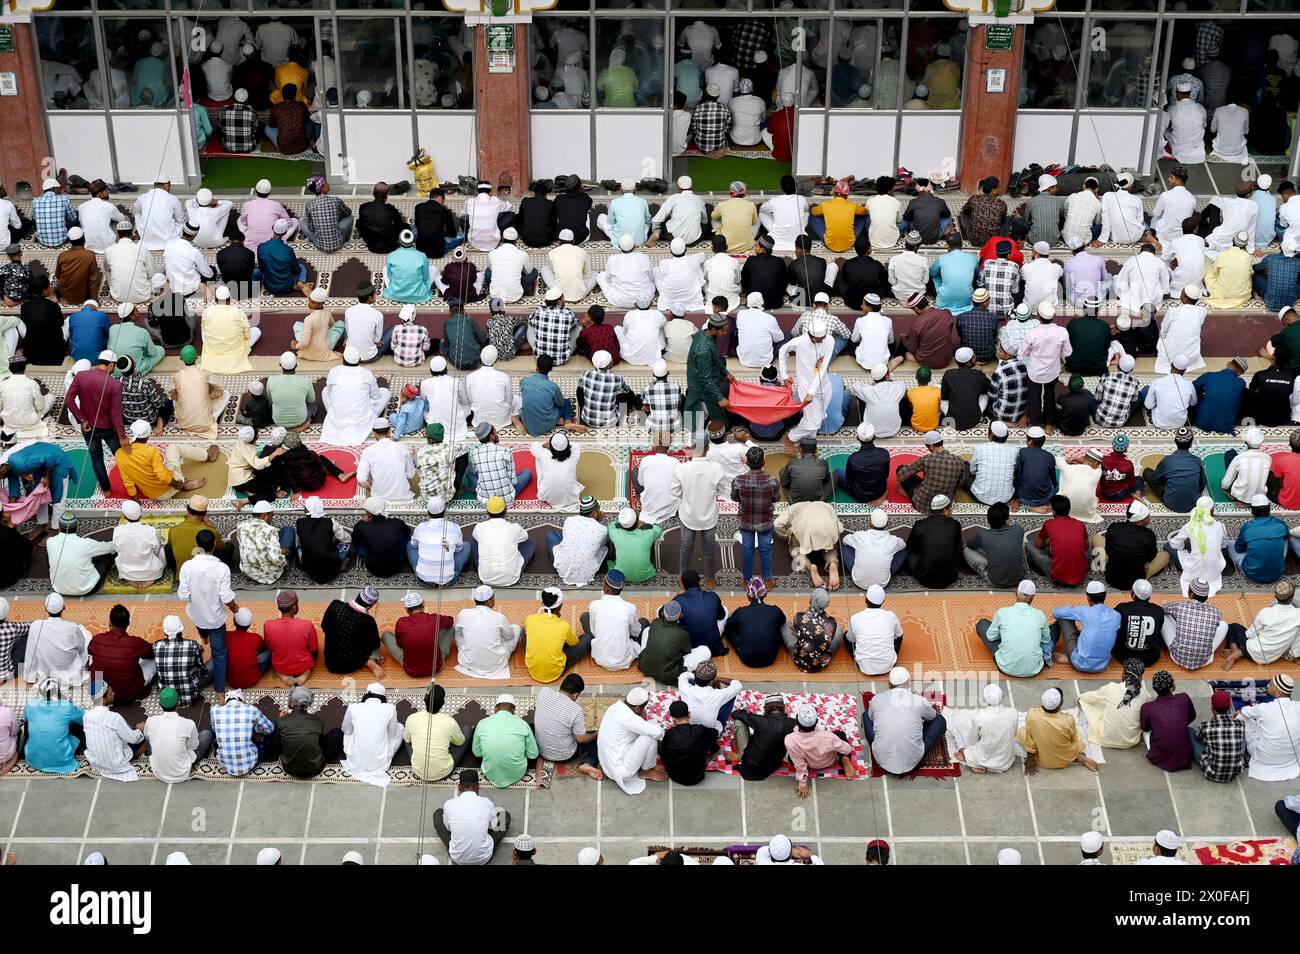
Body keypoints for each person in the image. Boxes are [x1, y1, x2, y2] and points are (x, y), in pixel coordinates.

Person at [864, 667, 945, 777]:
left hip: (881, 759)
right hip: (913, 763)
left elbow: (871, 717)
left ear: (889, 684)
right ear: (909, 683)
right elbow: (932, 717)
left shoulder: (877, 699)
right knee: (939, 720)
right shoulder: (919, 701)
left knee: (865, 715)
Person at [976, 581, 1053, 677]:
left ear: (1015, 593)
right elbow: (1046, 640)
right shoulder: (1040, 615)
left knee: (982, 624)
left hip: (1006, 667)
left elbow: (991, 637)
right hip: (1034, 669)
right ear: (1032, 598)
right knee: (1053, 629)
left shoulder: (1002, 613)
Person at [435, 769, 509, 865]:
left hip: (458, 858)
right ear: (478, 787)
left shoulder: (449, 804)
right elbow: (492, 827)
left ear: (459, 787)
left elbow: (448, 828)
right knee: (504, 815)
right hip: (483, 858)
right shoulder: (487, 803)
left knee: (438, 814)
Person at [1019, 687, 1097, 774]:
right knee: (1076, 734)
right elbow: (1072, 738)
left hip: (1043, 760)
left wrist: (1030, 758)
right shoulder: (1068, 719)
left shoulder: (1032, 714)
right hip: (1066, 758)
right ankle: (1079, 755)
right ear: (1060, 703)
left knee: (1022, 732)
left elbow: (1029, 738)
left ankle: (1076, 755)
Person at [143, 686, 213, 784]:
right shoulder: (188, 723)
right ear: (178, 703)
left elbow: (147, 737)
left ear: (159, 704)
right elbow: (194, 746)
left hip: (158, 772)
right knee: (206, 735)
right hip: (181, 773)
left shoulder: (150, 721)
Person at [87, 603, 155, 703]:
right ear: (128, 623)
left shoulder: (97, 639)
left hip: (100, 693)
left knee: (93, 657)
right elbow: (152, 653)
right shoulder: (135, 643)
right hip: (128, 694)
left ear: (109, 623)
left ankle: (103, 694)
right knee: (154, 659)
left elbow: (89, 652)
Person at [471, 694, 539, 789]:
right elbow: (533, 755)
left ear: (495, 709)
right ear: (513, 711)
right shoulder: (523, 724)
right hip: (517, 774)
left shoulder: (482, 723)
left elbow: (477, 753)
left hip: (490, 773)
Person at [523, 587, 590, 683]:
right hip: (555, 672)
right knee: (586, 639)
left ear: (542, 603)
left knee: (524, 631)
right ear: (560, 606)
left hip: (532, 670)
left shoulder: (530, 619)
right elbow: (574, 643)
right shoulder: (563, 625)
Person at [1240, 673, 1300, 781]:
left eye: (1271, 684)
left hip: (1263, 759)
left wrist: (1239, 712)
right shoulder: (1298, 707)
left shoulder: (1264, 708)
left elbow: (1244, 712)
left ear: (1278, 692)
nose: (1267, 685)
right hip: (1290, 759)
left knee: (1242, 717)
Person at [21, 679, 84, 775]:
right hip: (61, 760)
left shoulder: (30, 705)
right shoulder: (66, 706)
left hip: (34, 760)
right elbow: (84, 718)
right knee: (77, 725)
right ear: (58, 692)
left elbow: (25, 719)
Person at [954, 684, 1019, 775]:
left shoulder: (979, 717)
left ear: (985, 700)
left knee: (958, 733)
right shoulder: (1013, 712)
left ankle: (971, 759)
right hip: (1005, 761)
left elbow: (972, 741)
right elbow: (1014, 733)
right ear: (1002, 697)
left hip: (985, 756)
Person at [1139, 670, 1197, 772]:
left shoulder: (1148, 707)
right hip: (1184, 756)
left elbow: (1145, 727)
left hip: (1160, 756)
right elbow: (1192, 716)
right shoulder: (1184, 698)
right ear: (1171, 687)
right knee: (1189, 730)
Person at [211, 688, 277, 777]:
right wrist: (254, 730)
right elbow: (270, 729)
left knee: (213, 729)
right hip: (250, 763)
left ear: (226, 701)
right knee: (272, 731)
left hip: (225, 765)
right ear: (241, 700)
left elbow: (215, 730)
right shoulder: (251, 710)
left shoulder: (214, 710)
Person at [904, 493, 964, 590]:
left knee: (906, 553)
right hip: (950, 576)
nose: (951, 511)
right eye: (950, 509)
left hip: (924, 577)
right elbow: (958, 548)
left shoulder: (920, 525)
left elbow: (910, 546)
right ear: (945, 510)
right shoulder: (955, 525)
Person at [322, 587, 384, 679]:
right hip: (351, 664)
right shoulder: (368, 621)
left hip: (330, 661)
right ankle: (369, 661)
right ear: (369, 606)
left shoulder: (335, 605)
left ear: (358, 595)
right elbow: (375, 644)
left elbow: (324, 626)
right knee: (375, 644)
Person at [1229, 494, 1289, 584]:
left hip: (1252, 574)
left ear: (1252, 511)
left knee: (1229, 544)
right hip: (1277, 573)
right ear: (1269, 509)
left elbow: (1239, 549)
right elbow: (1286, 537)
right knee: (1285, 539)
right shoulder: (1280, 524)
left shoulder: (1247, 528)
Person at [1191, 689, 1247, 783]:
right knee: (1240, 736)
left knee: (1190, 732)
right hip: (1234, 772)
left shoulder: (1206, 726)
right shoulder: (1240, 723)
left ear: (1212, 708)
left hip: (1211, 772)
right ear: (1229, 706)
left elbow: (1199, 740)